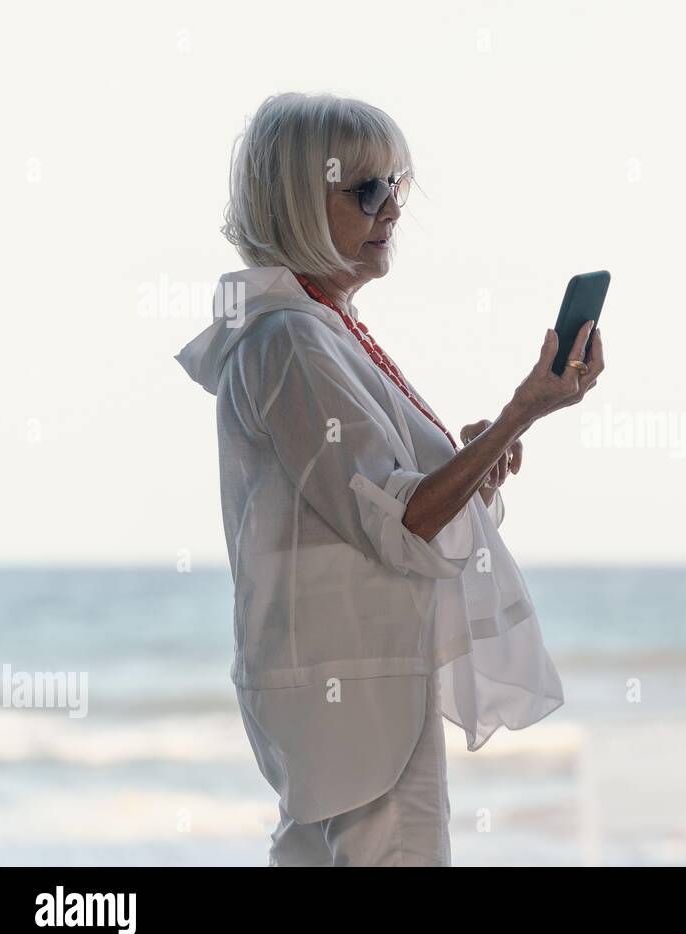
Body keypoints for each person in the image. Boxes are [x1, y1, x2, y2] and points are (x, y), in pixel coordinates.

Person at [175, 92, 605, 865]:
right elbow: (402, 524)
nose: (393, 211)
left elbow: (392, 499)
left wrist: (481, 455)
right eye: (367, 191)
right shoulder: (290, 340)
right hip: (357, 700)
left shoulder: (315, 329)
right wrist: (517, 414)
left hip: (347, 694)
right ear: (299, 203)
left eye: (396, 188)